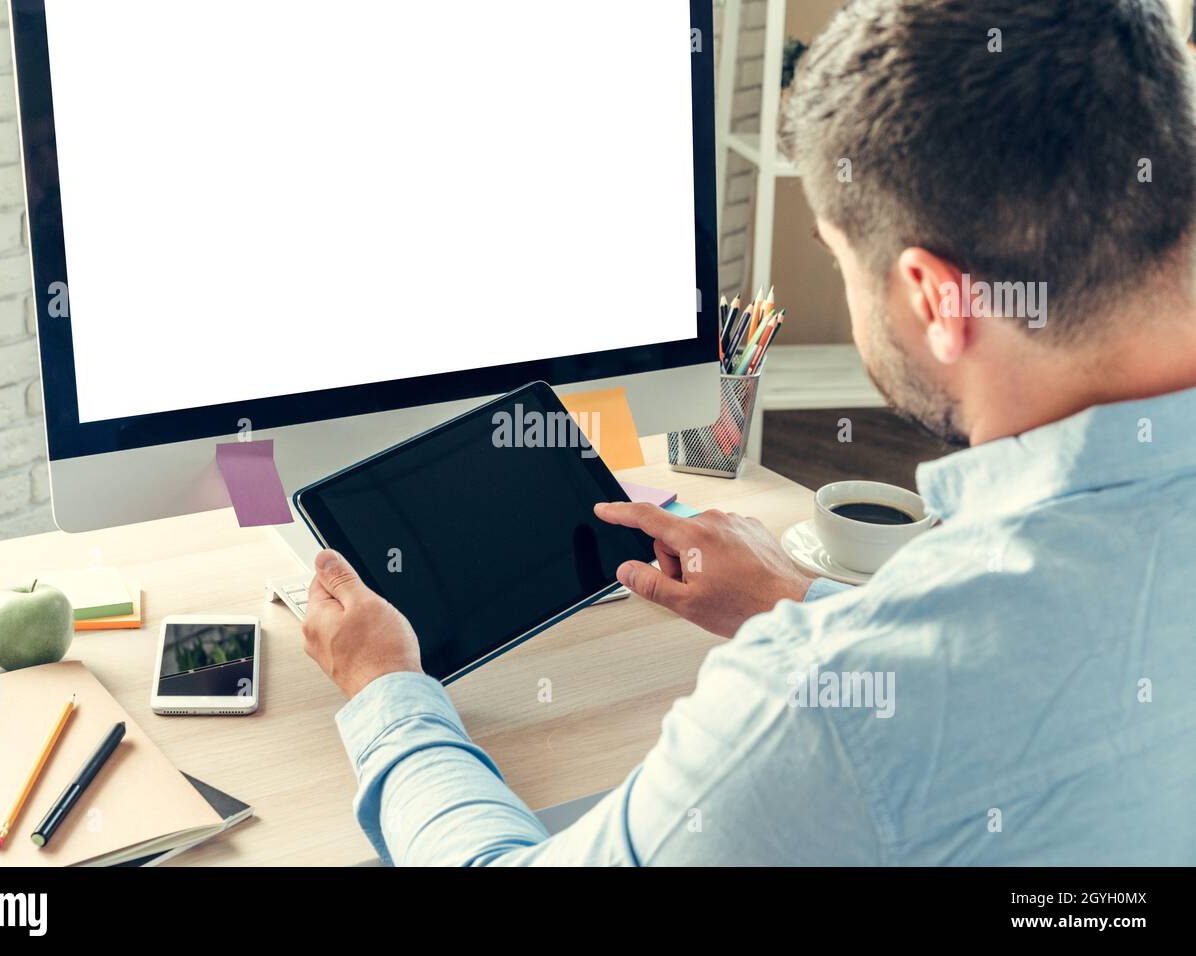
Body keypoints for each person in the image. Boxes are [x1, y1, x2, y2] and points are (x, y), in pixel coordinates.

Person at [301, 0, 1196, 865]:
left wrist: (386, 689)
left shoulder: (820, 714)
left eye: (843, 261)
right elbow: (1018, 678)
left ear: (935, 300)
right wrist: (799, 600)